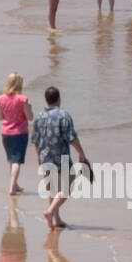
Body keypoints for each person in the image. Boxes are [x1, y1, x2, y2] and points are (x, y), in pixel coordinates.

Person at [31, 85, 89, 229]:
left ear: (47, 100)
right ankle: (50, 212)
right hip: (61, 157)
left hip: (45, 156)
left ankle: (56, 219)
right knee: (68, 186)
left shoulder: (39, 117)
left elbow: (36, 140)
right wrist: (81, 153)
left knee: (53, 189)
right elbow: (72, 137)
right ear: (59, 99)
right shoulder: (63, 115)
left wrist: (38, 157)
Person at [0, 72, 33, 197]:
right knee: (17, 160)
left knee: (11, 160)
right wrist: (30, 108)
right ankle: (12, 186)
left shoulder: (1, 98)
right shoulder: (23, 99)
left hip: (6, 132)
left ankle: (15, 184)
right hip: (20, 132)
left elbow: (0, 117)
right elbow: (30, 117)